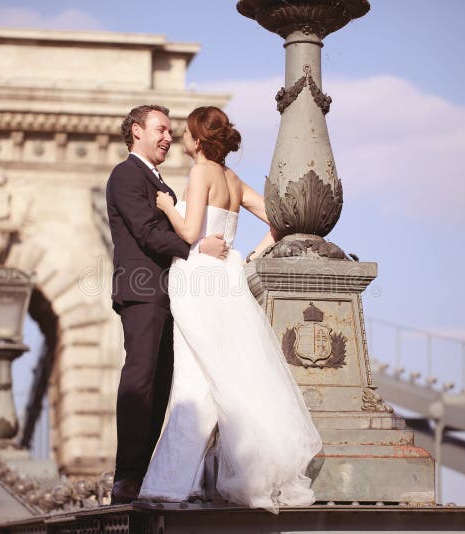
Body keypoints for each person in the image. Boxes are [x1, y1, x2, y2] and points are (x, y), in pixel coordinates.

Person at [138, 106, 323, 513]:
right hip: (228, 280)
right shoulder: (233, 180)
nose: (182, 138)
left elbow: (189, 232)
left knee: (193, 378)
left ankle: (171, 483)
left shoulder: (201, 173)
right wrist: (252, 255)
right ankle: (193, 480)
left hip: (197, 279)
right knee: (224, 374)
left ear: (198, 140)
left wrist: (167, 206)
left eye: (187, 132)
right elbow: (281, 221)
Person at [105, 104, 227, 504]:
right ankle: (126, 476)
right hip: (143, 292)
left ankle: (142, 476)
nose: (167, 137)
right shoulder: (125, 174)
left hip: (170, 295)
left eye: (170, 131)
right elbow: (145, 232)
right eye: (160, 129)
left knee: (160, 386)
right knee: (140, 380)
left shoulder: (158, 182)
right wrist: (196, 248)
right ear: (136, 131)